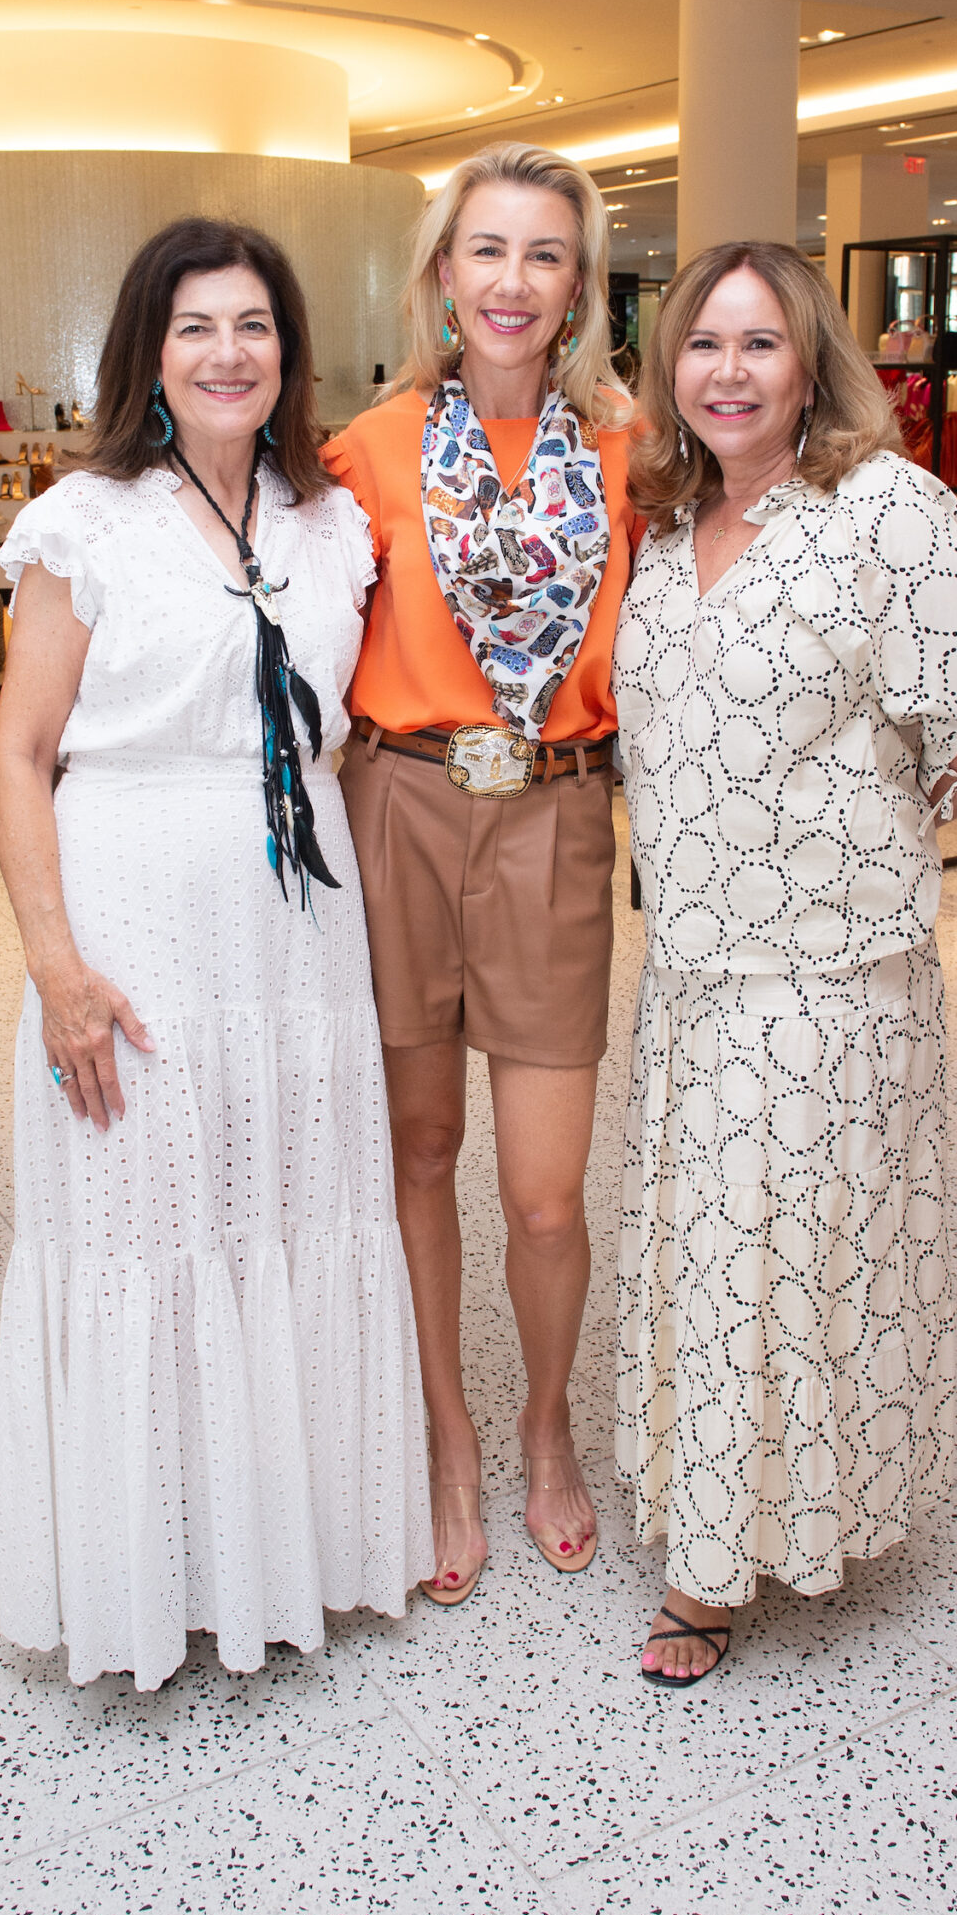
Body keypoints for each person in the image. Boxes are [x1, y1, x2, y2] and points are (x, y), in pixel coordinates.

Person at [0, 217, 430, 1689]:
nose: (228, 354)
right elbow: (19, 756)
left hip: (296, 931)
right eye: (195, 328)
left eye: (254, 325)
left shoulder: (331, 524)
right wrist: (56, 970)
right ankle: (152, 1575)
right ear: (150, 353)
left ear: (287, 351)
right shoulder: (85, 523)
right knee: (150, 1218)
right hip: (135, 916)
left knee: (286, 1205)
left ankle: (290, 1550)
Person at [613, 241, 957, 1686]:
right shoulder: (671, 525)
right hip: (693, 967)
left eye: (760, 344)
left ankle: (714, 1570)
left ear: (812, 366)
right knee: (715, 1250)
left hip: (829, 976)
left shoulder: (883, 511)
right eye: (702, 345)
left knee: (783, 1251)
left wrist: (884, 823)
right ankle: (745, 1515)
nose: (728, 372)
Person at [323, 143, 636, 1603]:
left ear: (579, 286)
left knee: (549, 1196)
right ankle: (449, 1439)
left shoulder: (634, 455)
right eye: (488, 250)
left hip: (556, 816)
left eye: (545, 254)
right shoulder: (368, 452)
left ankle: (545, 1426)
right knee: (419, 1150)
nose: (514, 281)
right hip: (399, 803)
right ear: (443, 274)